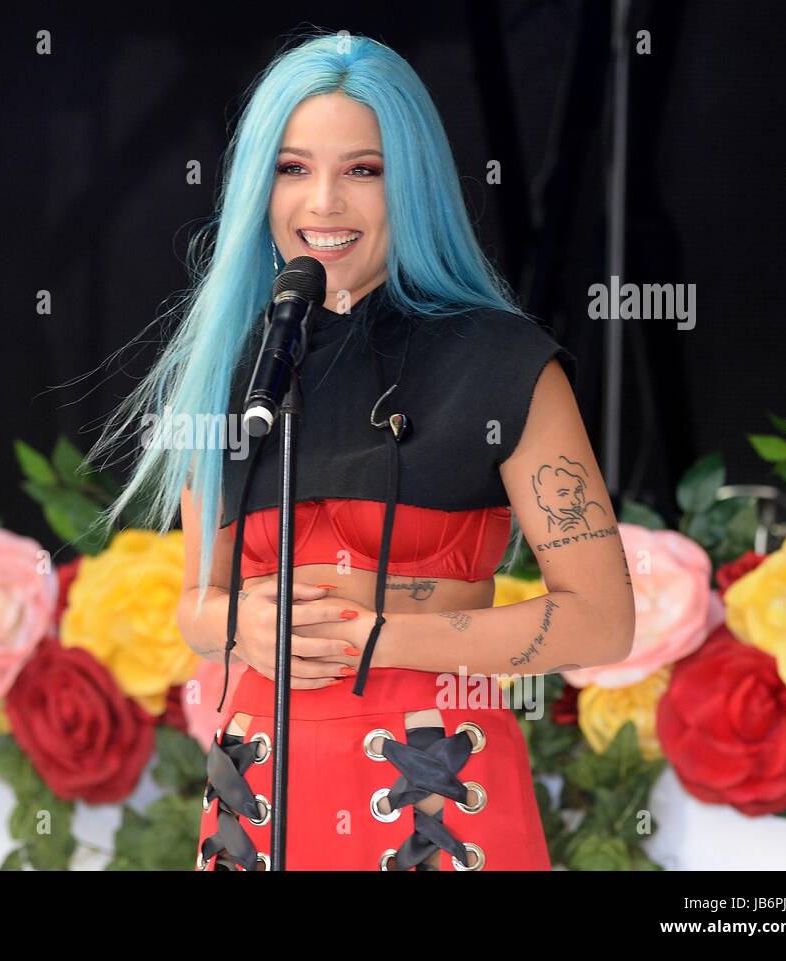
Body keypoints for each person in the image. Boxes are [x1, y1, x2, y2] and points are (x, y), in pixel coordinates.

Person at [86, 30, 635, 871]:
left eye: (363, 170)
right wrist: (237, 622)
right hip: (257, 797)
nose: (325, 205)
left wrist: (382, 640)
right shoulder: (223, 366)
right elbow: (199, 605)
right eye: (294, 168)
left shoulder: (502, 359)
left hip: (438, 789)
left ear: (409, 181)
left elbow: (603, 618)